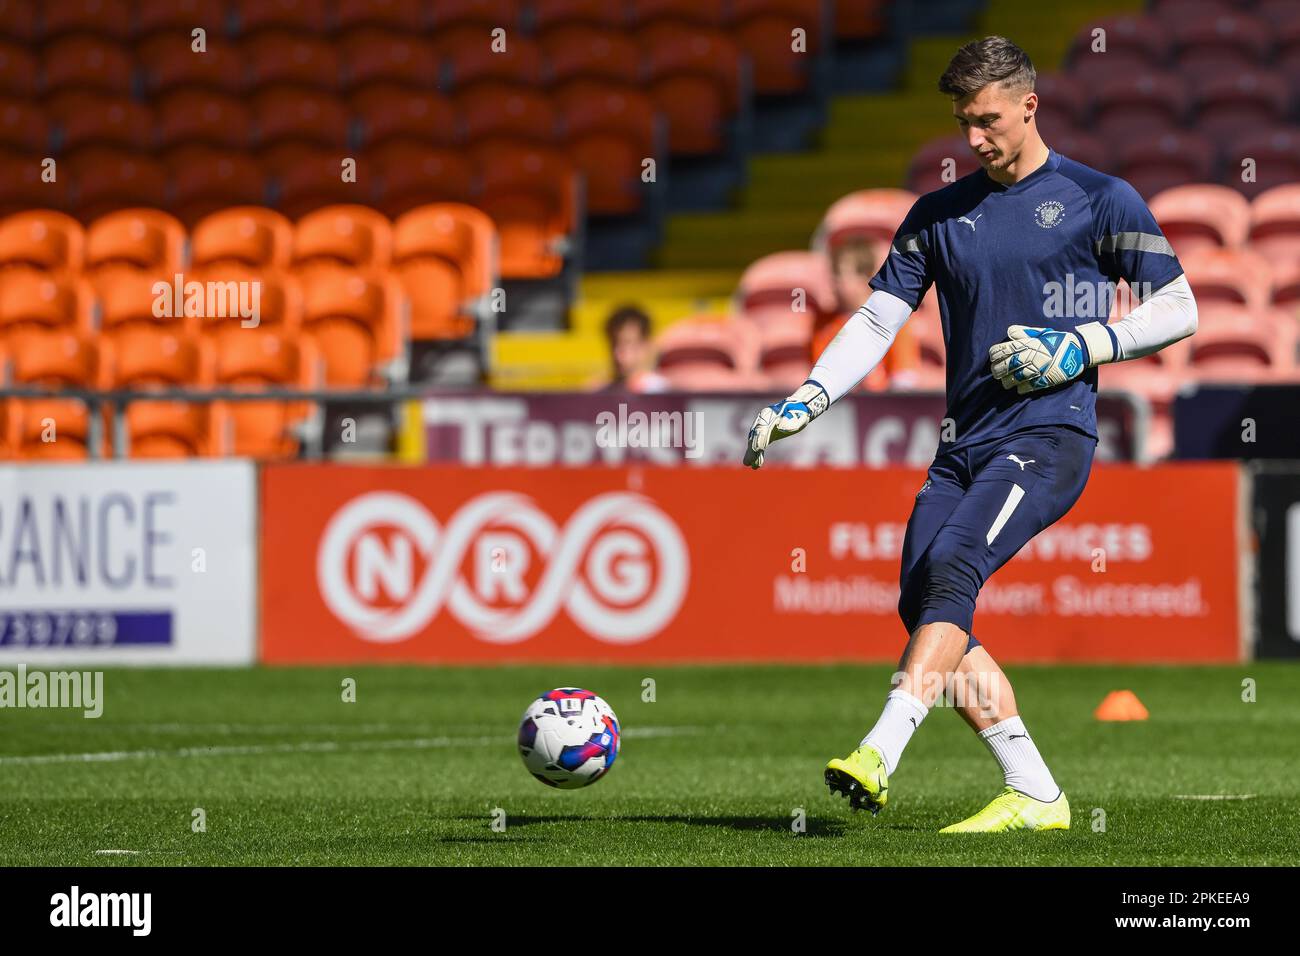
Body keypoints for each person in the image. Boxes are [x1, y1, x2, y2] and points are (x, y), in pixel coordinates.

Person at [742, 36, 1198, 832]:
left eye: (988, 120)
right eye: (963, 123)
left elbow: (1179, 307)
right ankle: (1035, 792)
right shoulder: (938, 215)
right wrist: (811, 394)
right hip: (962, 445)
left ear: (1030, 105)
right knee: (923, 595)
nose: (974, 137)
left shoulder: (1101, 198)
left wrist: (1083, 345)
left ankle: (880, 749)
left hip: (1050, 436)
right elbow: (877, 320)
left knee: (955, 562)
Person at [816, 234, 921, 391]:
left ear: (865, 276)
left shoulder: (894, 320)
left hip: (881, 402)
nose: (834, 280)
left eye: (840, 273)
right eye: (833, 272)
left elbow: (904, 378)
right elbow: (819, 376)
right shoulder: (823, 324)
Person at [593, 305, 669, 392]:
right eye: (613, 345)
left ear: (647, 344)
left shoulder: (667, 391)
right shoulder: (602, 391)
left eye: (628, 343)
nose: (617, 355)